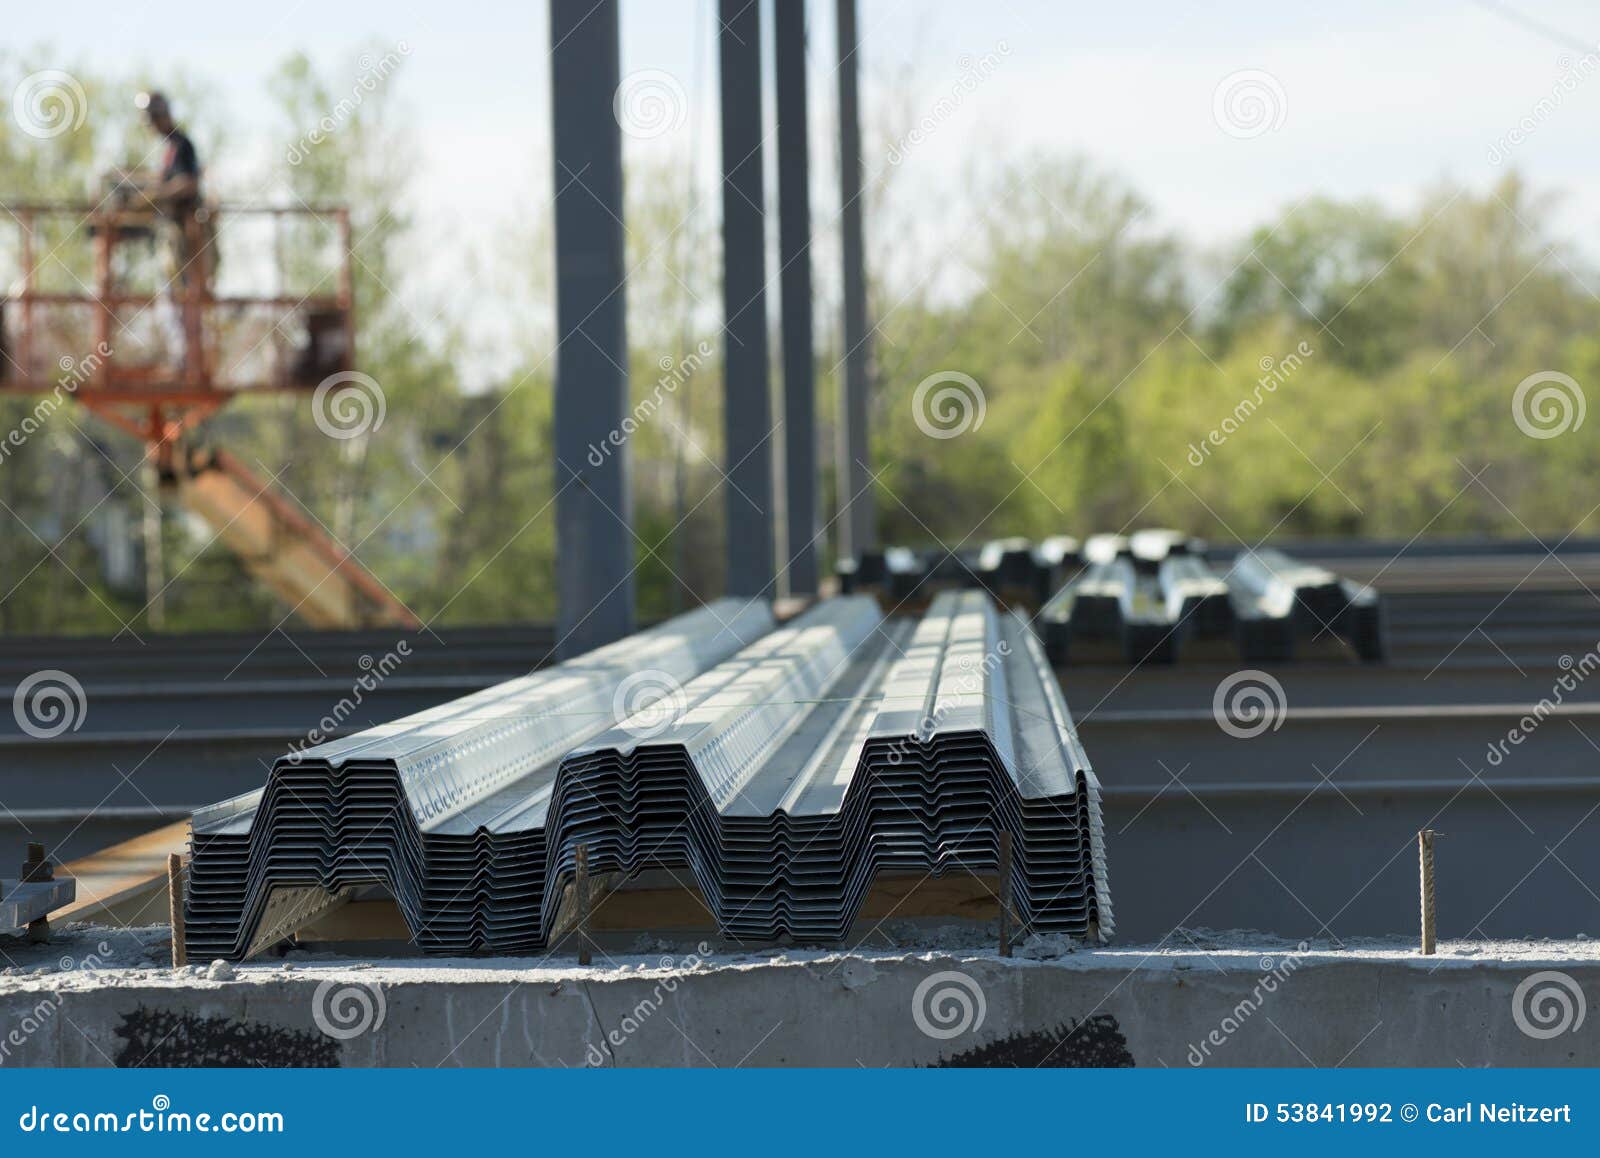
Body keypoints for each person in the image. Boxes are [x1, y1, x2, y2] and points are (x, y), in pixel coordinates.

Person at [135, 91, 210, 377]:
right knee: (172, 296)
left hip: (184, 235)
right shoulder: (170, 147)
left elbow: (188, 184)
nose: (152, 125)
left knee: (181, 294)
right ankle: (182, 357)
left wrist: (154, 194)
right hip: (173, 233)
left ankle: (187, 360)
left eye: (153, 119)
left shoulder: (182, 144)